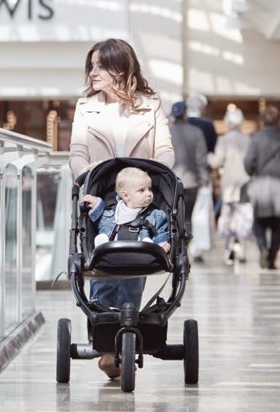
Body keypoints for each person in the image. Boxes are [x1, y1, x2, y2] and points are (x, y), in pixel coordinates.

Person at [68, 38, 174, 379]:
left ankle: (122, 331)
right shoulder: (86, 106)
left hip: (142, 194)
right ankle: (109, 339)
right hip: (102, 190)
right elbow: (77, 152)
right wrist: (85, 171)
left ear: (121, 69)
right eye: (91, 65)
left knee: (136, 260)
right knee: (102, 258)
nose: (93, 72)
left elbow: (165, 151)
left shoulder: (151, 105)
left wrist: (155, 177)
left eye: (100, 66)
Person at [244, 107, 280, 270]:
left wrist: (252, 171)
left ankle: (262, 248)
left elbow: (248, 163)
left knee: (259, 223)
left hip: (261, 185)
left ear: (263, 121)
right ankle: (271, 258)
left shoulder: (256, 139)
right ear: (278, 121)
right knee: (278, 225)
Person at [82, 167, 171, 252]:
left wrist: (161, 244)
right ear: (125, 195)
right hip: (112, 249)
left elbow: (160, 231)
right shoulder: (114, 211)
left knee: (148, 240)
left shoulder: (155, 214)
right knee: (103, 231)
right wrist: (96, 204)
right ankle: (102, 246)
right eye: (142, 190)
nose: (149, 194)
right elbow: (101, 220)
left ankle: (149, 246)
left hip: (142, 250)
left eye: (150, 189)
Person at [208, 108, 252, 264]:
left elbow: (216, 162)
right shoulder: (248, 139)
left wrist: (208, 156)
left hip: (228, 183)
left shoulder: (224, 140)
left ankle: (229, 249)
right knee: (244, 215)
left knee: (228, 215)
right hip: (245, 182)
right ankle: (243, 251)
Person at [169, 101, 209, 254]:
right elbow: (201, 159)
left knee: (173, 216)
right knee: (188, 217)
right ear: (186, 114)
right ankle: (185, 248)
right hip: (191, 182)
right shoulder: (196, 132)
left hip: (171, 182)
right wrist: (204, 180)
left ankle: (175, 247)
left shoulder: (167, 131)